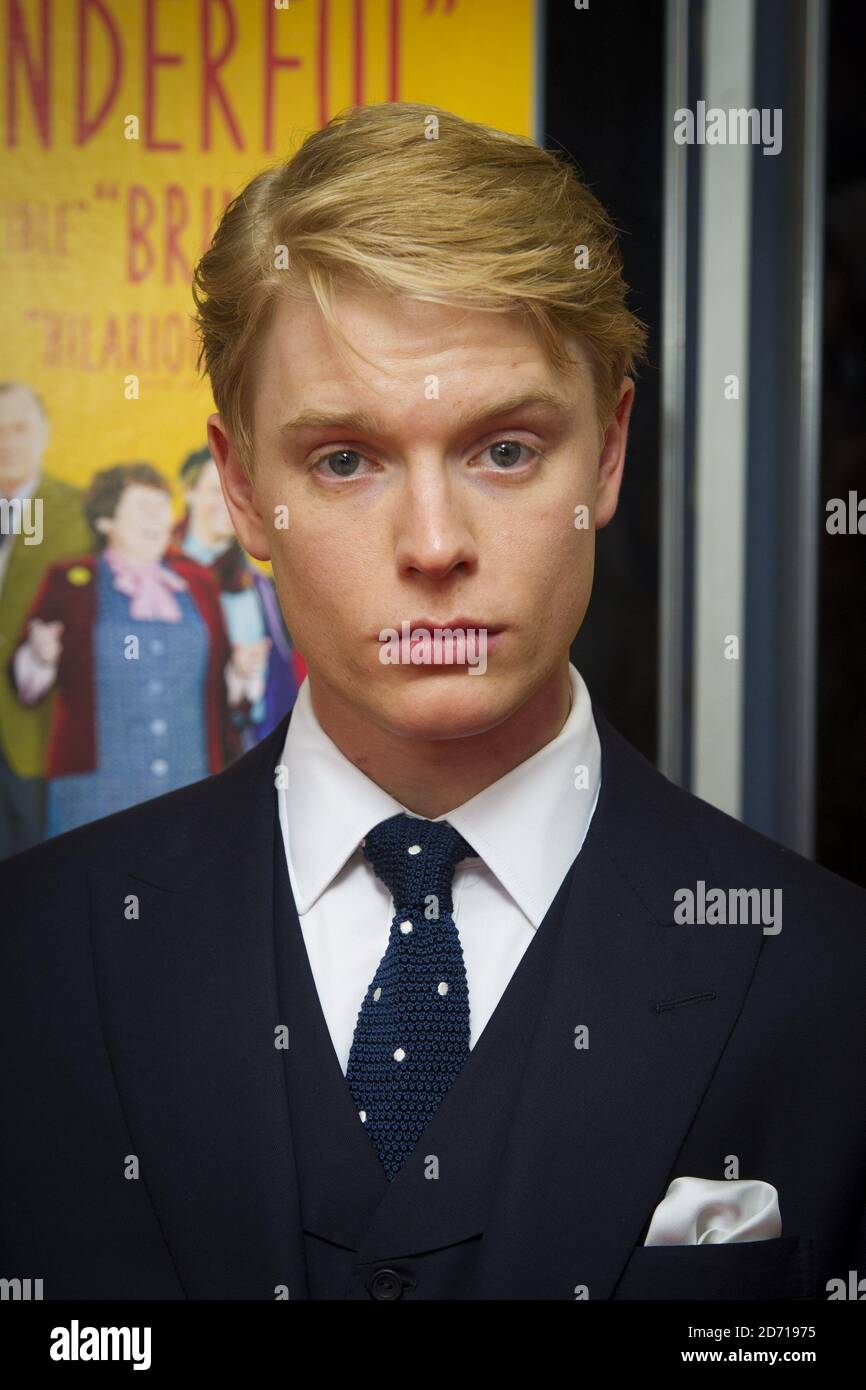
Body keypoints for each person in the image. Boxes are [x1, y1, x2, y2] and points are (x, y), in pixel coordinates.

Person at [1, 102, 864, 1301]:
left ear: (605, 455)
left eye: (503, 449)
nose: (434, 543)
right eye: (344, 460)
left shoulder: (830, 979)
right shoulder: (30, 956)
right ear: (244, 492)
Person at [8, 462, 246, 836]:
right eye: (143, 506)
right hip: (94, 796)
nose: (157, 517)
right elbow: (27, 690)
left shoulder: (200, 583)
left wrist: (243, 675)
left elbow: (222, 690)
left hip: (191, 786)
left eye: (162, 506)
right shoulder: (71, 582)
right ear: (106, 521)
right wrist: (39, 657)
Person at [0, 382, 90, 856]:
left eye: (19, 428)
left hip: (36, 734)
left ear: (44, 433)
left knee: (31, 880)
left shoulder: (79, 512)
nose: (7, 442)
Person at [175, 445, 306, 753]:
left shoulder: (261, 587)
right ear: (188, 493)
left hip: (249, 747)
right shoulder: (159, 578)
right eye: (212, 490)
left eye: (236, 492)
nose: (226, 503)